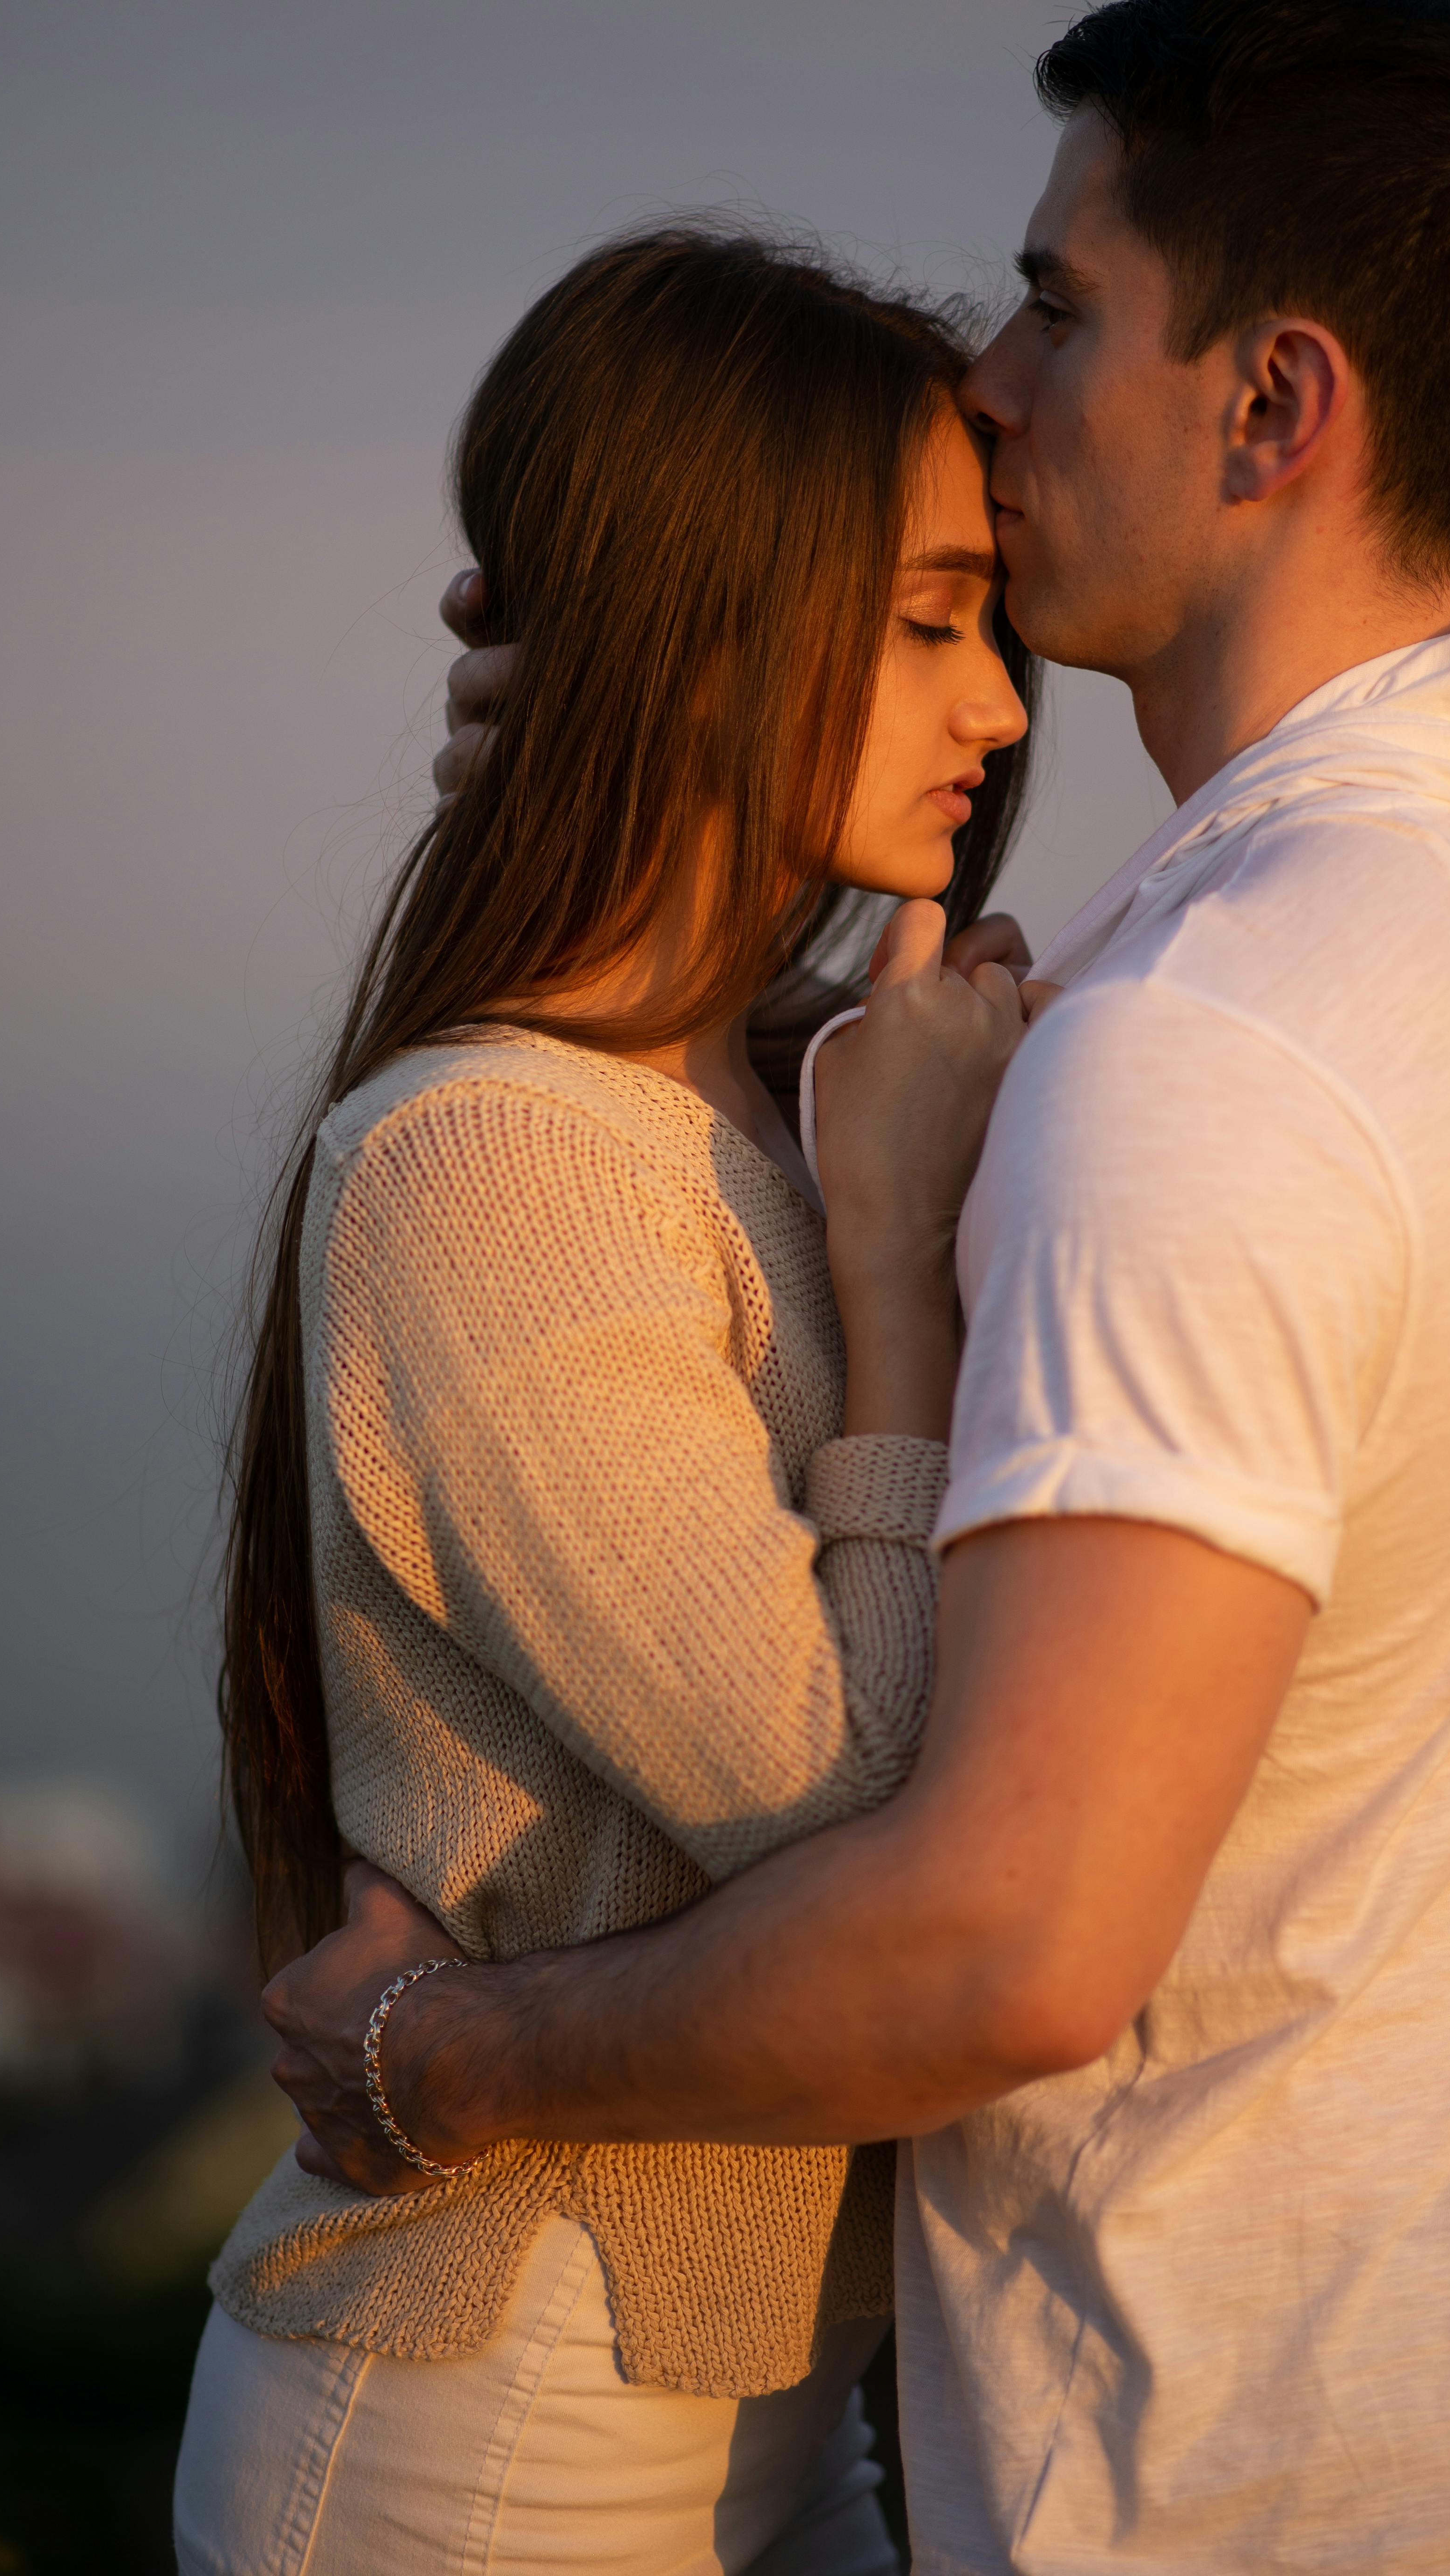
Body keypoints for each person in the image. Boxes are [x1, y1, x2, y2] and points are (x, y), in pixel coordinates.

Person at [265, 0, 1450, 2570]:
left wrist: (450, 2056)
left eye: (1067, 309)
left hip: (1241, 2454)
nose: (997, 372)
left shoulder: (1223, 1042)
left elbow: (994, 1933)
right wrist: (648, 745)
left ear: (1276, 401)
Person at [173, 224, 1049, 2574]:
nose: (993, 708)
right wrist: (892, 1255)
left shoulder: (761, 1094)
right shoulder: (491, 1166)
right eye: (925, 621)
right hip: (490, 2430)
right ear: (706, 625)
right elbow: (839, 1789)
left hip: (780, 2400)